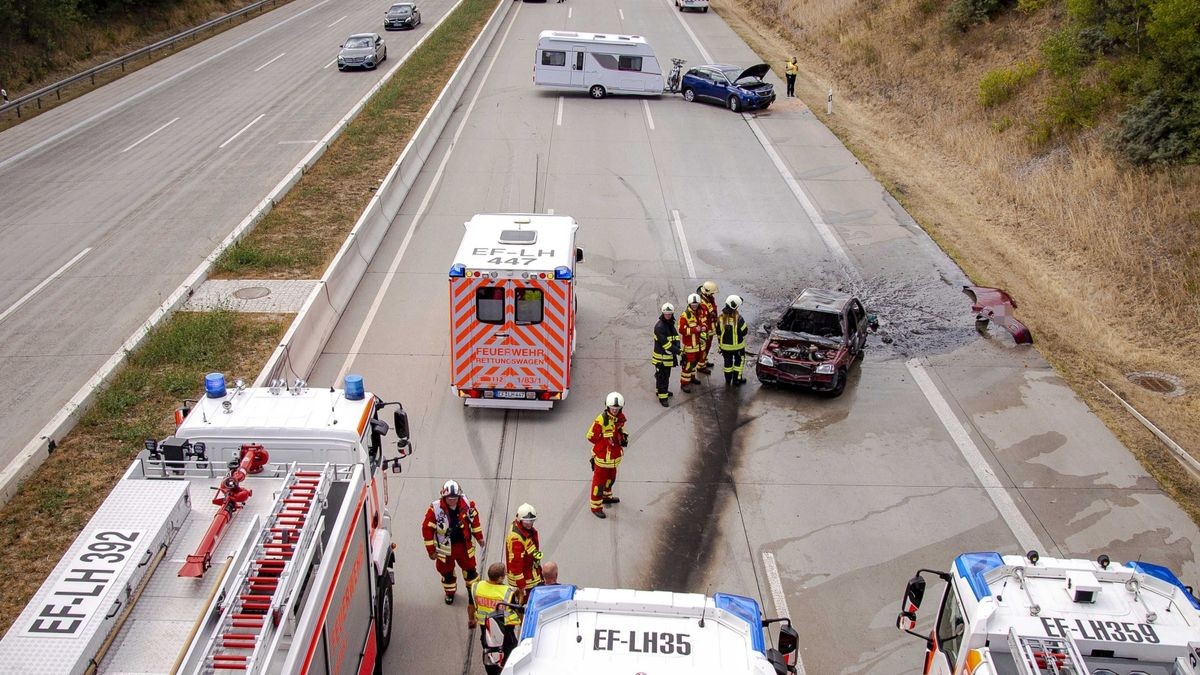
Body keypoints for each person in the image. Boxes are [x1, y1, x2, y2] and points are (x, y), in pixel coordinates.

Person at [421, 480, 485, 604]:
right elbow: (427, 529)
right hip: (445, 550)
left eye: (454, 497)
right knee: (447, 573)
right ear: (443, 496)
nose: (452, 500)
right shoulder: (435, 509)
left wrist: (479, 537)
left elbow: (475, 522)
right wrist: (431, 551)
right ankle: (450, 593)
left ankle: (472, 593)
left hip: (464, 546)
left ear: (459, 496)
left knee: (470, 571)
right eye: (449, 498)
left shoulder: (467, 505)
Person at [467, 563, 519, 675]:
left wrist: (471, 620)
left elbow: (471, 605)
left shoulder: (476, 587)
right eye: (504, 574)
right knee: (510, 655)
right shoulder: (508, 592)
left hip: (486, 630)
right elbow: (517, 610)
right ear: (500, 578)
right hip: (505, 631)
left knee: (489, 654)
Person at [587, 392, 628, 519]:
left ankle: (606, 497)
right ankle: (596, 507)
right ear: (607, 406)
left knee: (611, 479)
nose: (614, 410)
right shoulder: (601, 420)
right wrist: (604, 442)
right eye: (612, 408)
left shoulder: (620, 418)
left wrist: (622, 437)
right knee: (598, 484)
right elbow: (590, 436)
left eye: (617, 408)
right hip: (602, 459)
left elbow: (619, 430)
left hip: (614, 458)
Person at [505, 503, 544, 602]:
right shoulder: (516, 538)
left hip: (530, 574)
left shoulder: (523, 529)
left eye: (532, 521)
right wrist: (521, 586)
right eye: (527, 521)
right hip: (525, 582)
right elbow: (516, 564)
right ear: (520, 519)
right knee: (525, 606)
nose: (530, 524)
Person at [651, 303, 681, 407]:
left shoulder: (670, 323)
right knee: (662, 377)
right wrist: (679, 351)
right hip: (661, 359)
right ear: (663, 313)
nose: (668, 315)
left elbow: (676, 336)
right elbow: (666, 344)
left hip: (667, 357)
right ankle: (663, 397)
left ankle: (660, 391)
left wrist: (678, 345)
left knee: (664, 376)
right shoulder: (659, 327)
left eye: (669, 314)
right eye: (666, 314)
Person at [718, 295, 749, 386]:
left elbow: (718, 332)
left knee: (727, 364)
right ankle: (737, 380)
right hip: (738, 347)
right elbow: (744, 331)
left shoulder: (720, 318)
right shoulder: (739, 319)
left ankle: (728, 380)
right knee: (739, 362)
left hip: (724, 347)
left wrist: (720, 345)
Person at [678, 294, 704, 392]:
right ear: (689, 304)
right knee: (688, 365)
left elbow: (702, 322)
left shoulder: (699, 312)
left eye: (696, 304)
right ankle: (684, 383)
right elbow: (681, 330)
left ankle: (692, 378)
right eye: (693, 304)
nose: (694, 305)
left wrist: (704, 326)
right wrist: (694, 330)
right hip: (689, 346)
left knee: (694, 363)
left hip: (697, 345)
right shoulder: (685, 315)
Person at [696, 281, 719, 373]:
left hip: (710, 328)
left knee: (707, 347)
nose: (713, 294)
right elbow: (702, 319)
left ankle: (704, 361)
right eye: (712, 293)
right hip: (705, 330)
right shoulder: (702, 303)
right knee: (703, 347)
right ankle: (701, 366)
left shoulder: (709, 298)